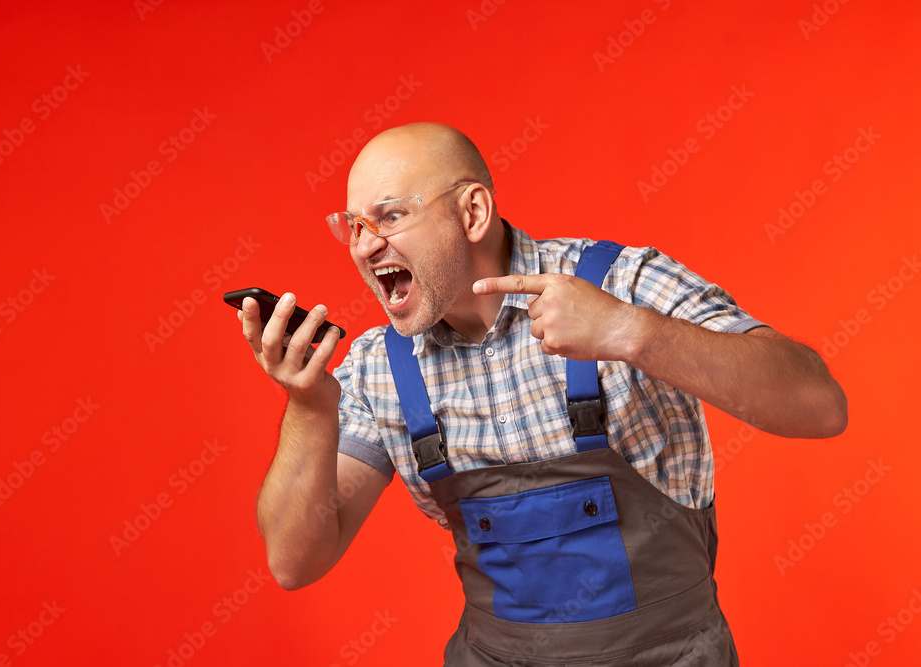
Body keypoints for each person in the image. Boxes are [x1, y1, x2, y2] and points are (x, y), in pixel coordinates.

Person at [238, 122, 847, 666]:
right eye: (355, 227)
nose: (365, 245)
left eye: (391, 216)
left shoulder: (620, 283)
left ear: (473, 212)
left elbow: (819, 405)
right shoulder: (378, 367)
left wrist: (628, 331)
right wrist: (309, 406)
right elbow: (295, 562)